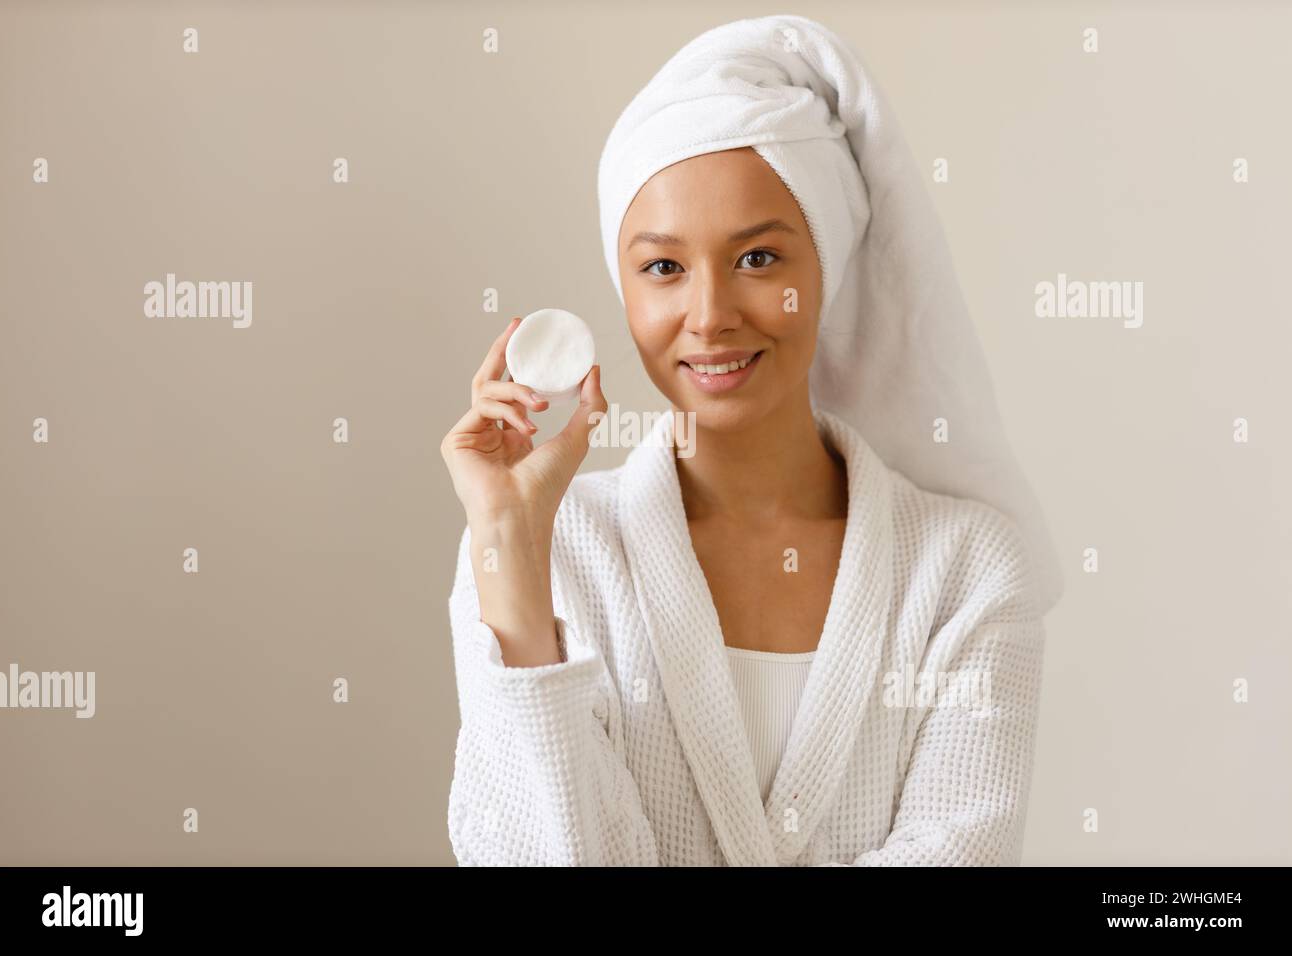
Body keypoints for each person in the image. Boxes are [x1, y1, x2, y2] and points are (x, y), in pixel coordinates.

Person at [439, 14, 1063, 866]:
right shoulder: (554, 553)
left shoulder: (966, 572)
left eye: (759, 259)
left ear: (827, 265)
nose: (710, 316)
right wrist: (509, 544)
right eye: (663, 268)